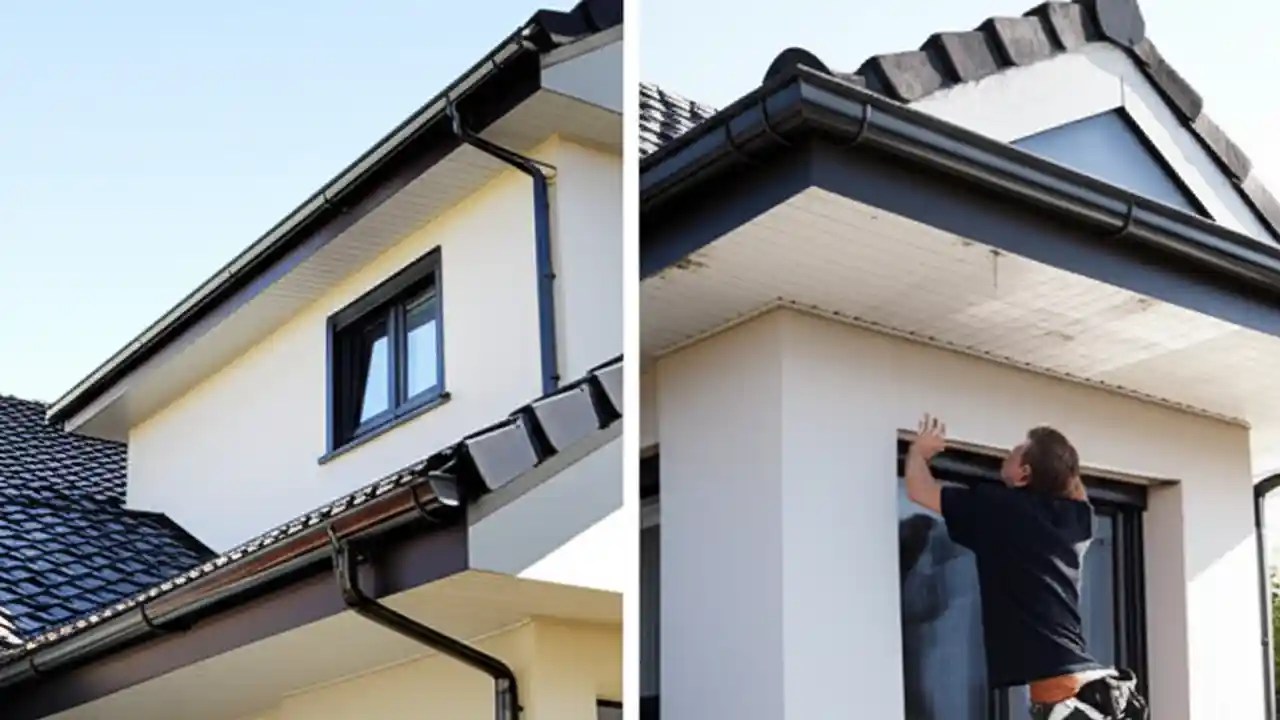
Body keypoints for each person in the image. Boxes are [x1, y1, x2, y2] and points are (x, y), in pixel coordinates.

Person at [905, 414, 1148, 720]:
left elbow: (918, 489)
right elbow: (1073, 484)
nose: (1005, 456)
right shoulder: (1079, 519)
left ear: (1024, 474)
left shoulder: (1001, 510)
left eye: (1013, 453)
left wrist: (919, 452)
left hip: (1065, 696)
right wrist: (1059, 465)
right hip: (1075, 683)